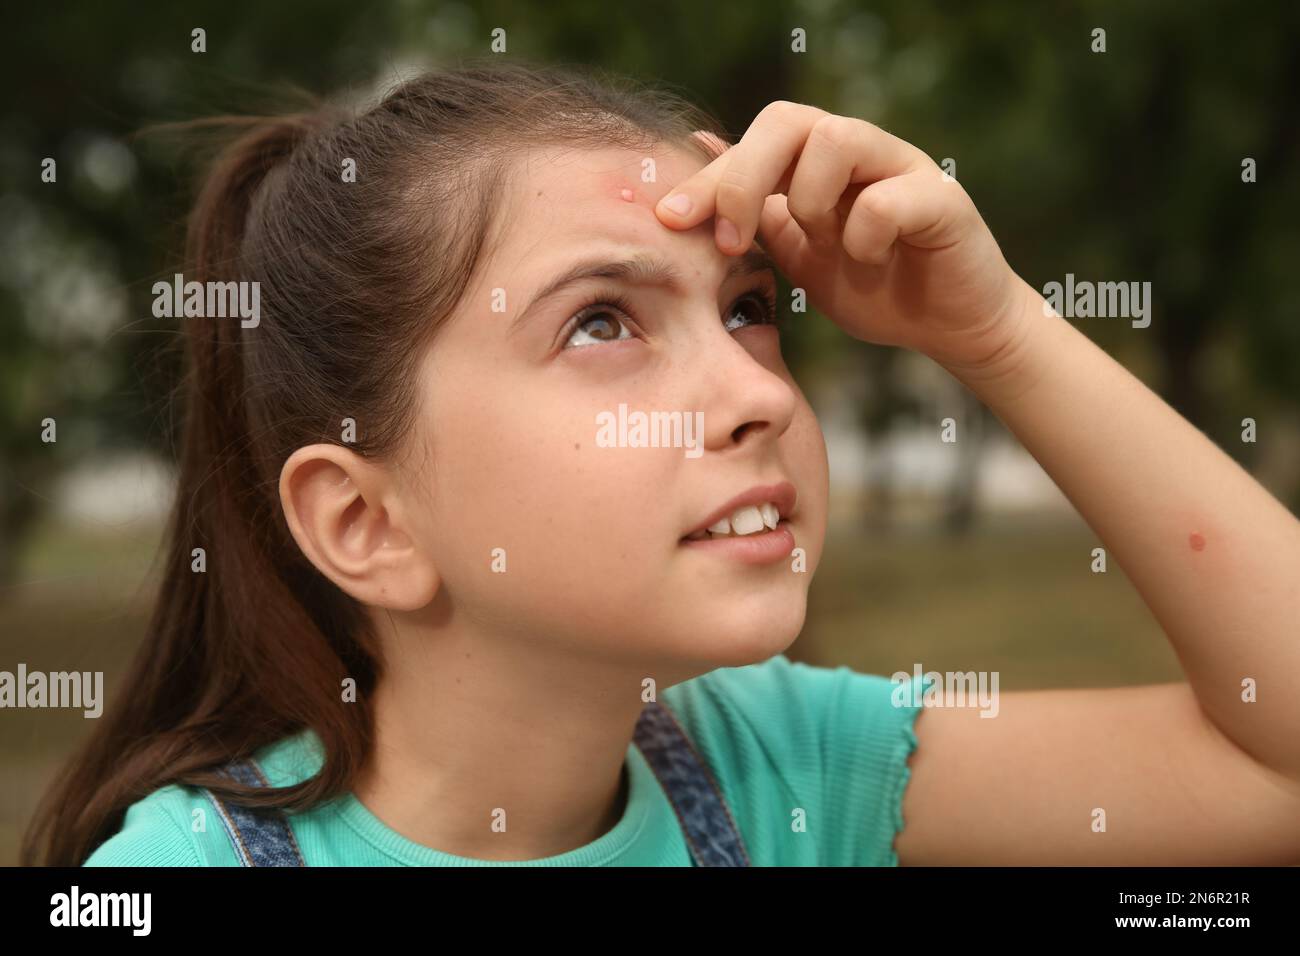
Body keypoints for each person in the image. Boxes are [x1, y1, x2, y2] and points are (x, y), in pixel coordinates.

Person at [23, 59, 1300, 867]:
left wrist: (998, 330)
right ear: (367, 522)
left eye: (748, 306)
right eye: (600, 322)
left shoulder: (786, 770)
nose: (753, 393)